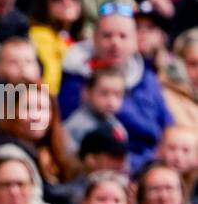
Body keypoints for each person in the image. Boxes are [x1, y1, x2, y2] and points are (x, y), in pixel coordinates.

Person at [58, 9, 173, 172]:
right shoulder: (74, 79)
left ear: (135, 41)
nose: (115, 43)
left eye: (123, 36)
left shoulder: (147, 77)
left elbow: (167, 126)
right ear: (94, 39)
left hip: (149, 164)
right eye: (107, 35)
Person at [28, 0, 85, 95]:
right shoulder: (39, 36)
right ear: (43, 2)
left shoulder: (74, 37)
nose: (67, 0)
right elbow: (50, 87)